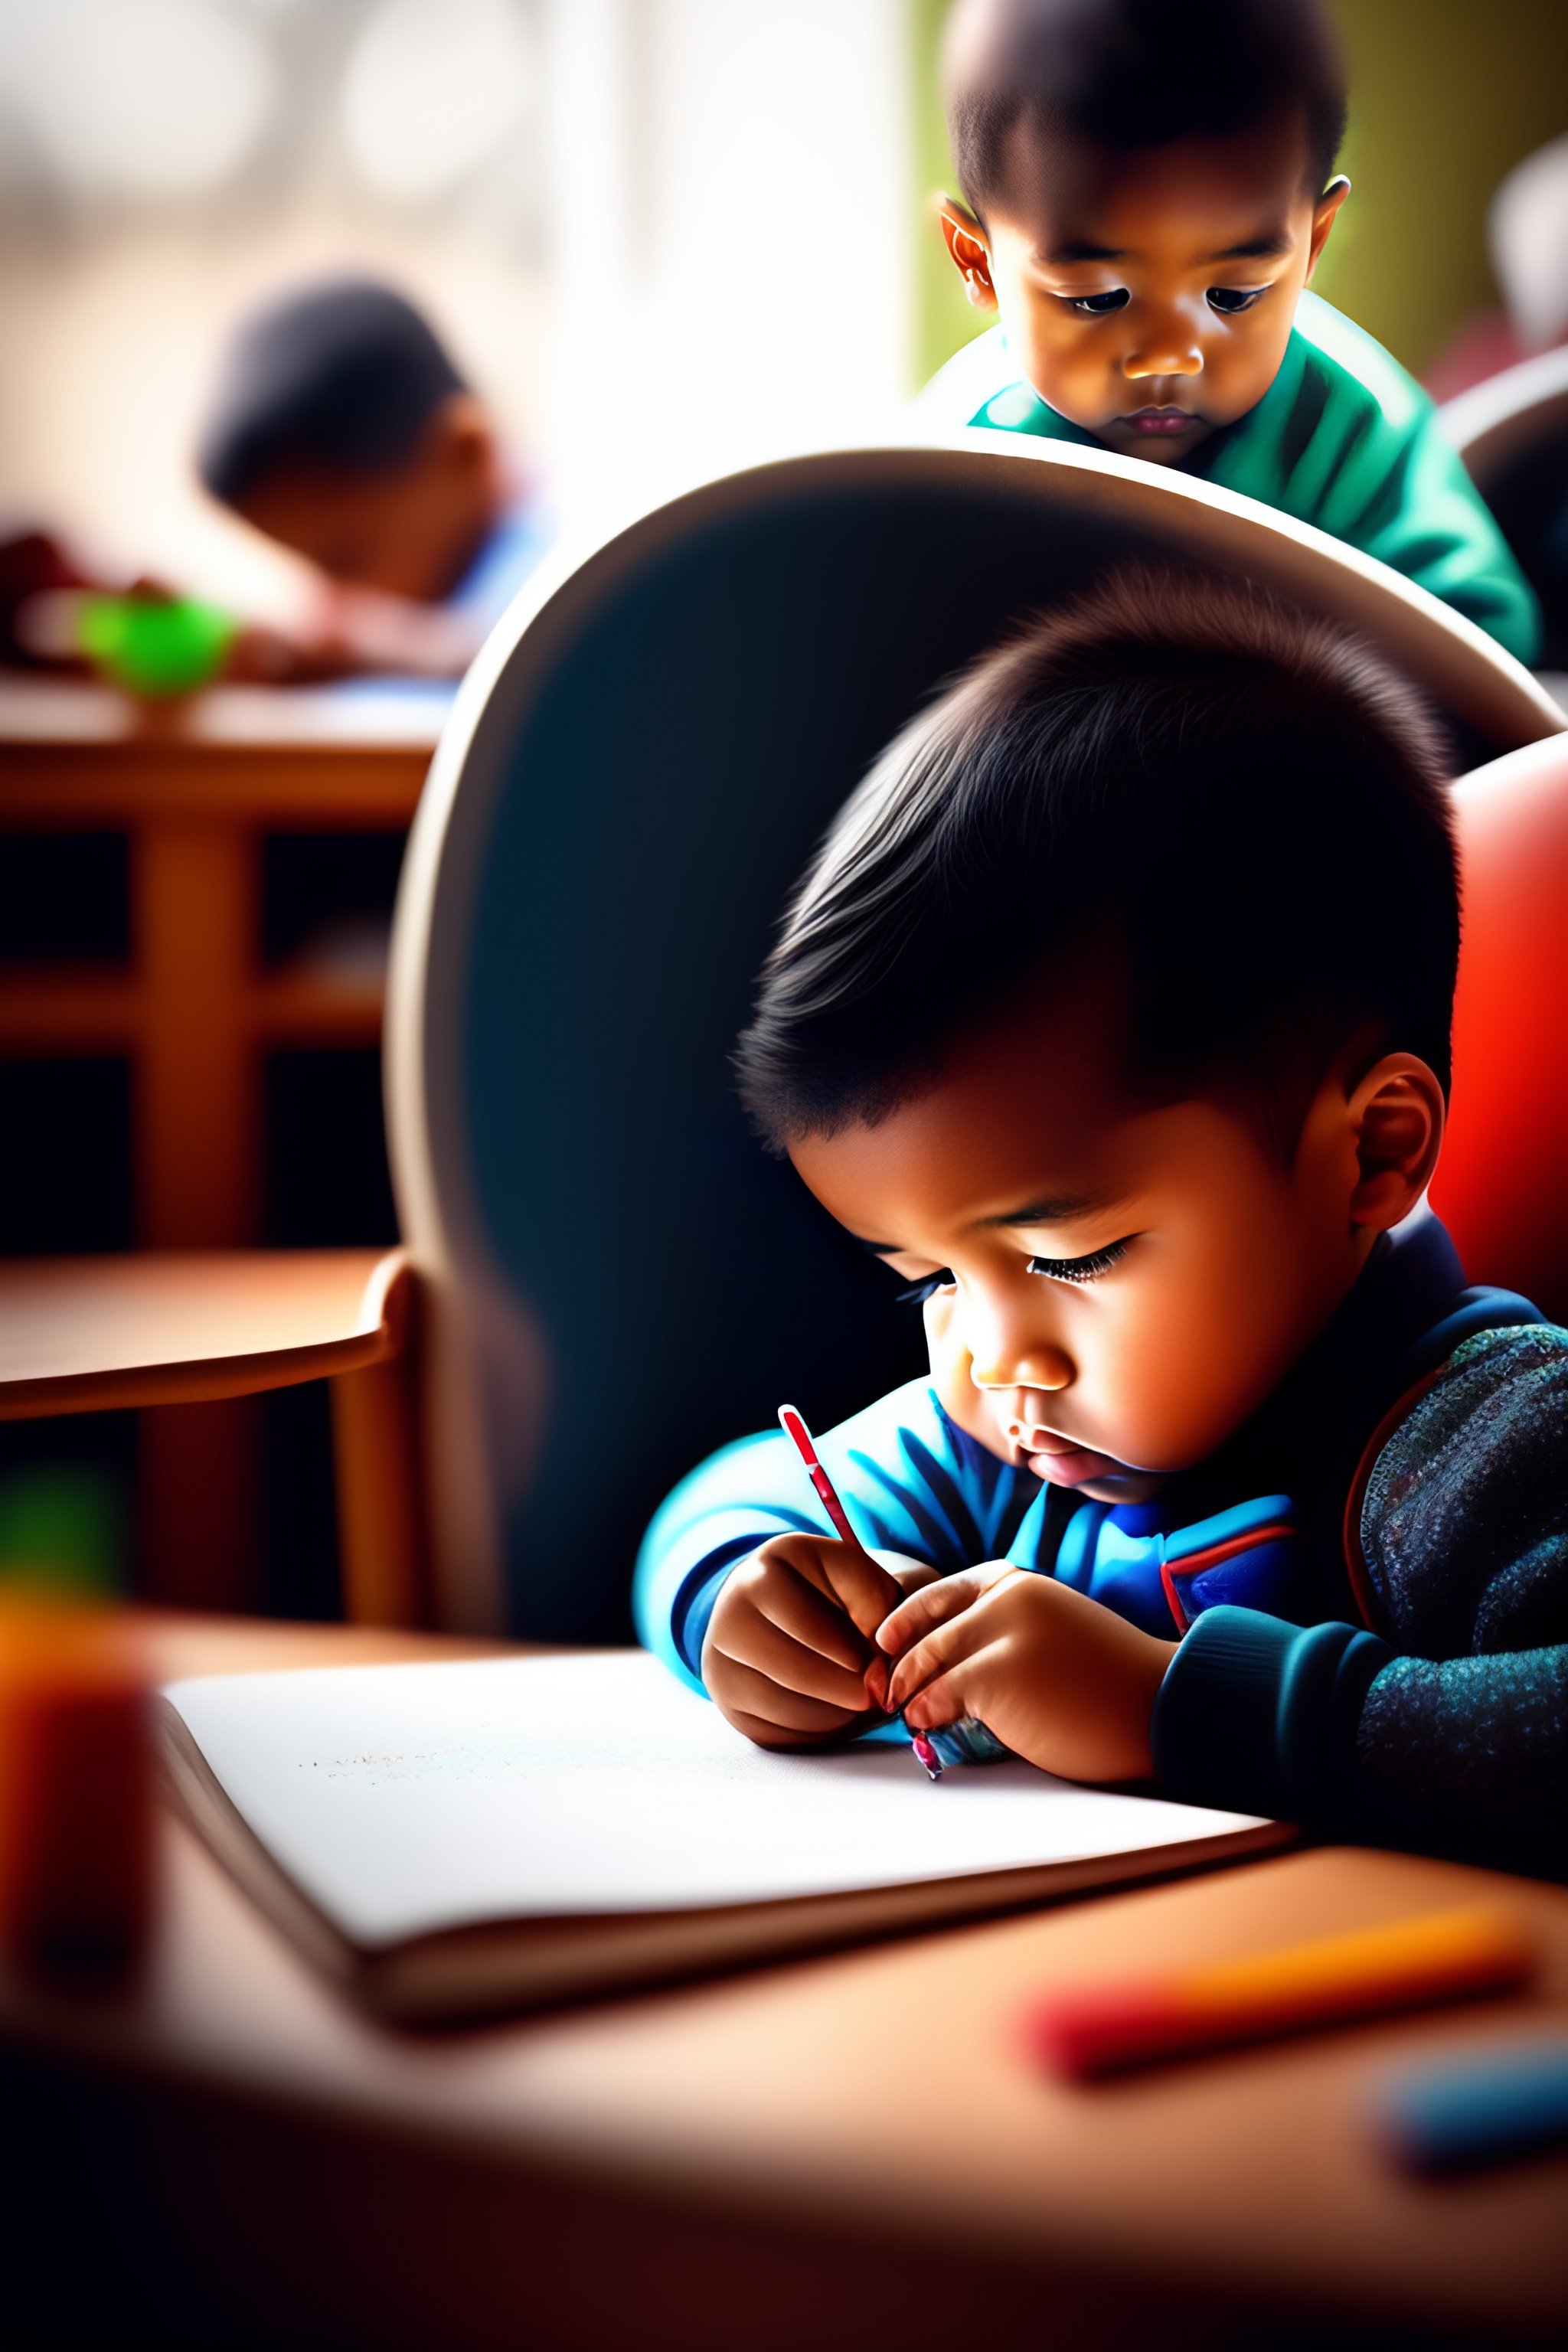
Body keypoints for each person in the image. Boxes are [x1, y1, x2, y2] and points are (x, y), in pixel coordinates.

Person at [634, 569, 1566, 1868]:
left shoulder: (1489, 1443)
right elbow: (729, 1497)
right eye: (929, 1281)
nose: (990, 1352)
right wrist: (746, 1592)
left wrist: (1173, 1707)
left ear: (1370, 1152)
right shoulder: (1001, 1443)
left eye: (1071, 1254)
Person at [920, 0, 1541, 666]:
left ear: (1313, 242)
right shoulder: (962, 452)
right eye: (1097, 299)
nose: (1168, 354)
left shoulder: (1355, 430)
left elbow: (1491, 650)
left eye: (1234, 295)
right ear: (976, 261)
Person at [197, 277, 552, 675]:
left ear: (465, 453)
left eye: (346, 560)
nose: (331, 604)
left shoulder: (573, 555)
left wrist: (364, 646)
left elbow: (538, 659)